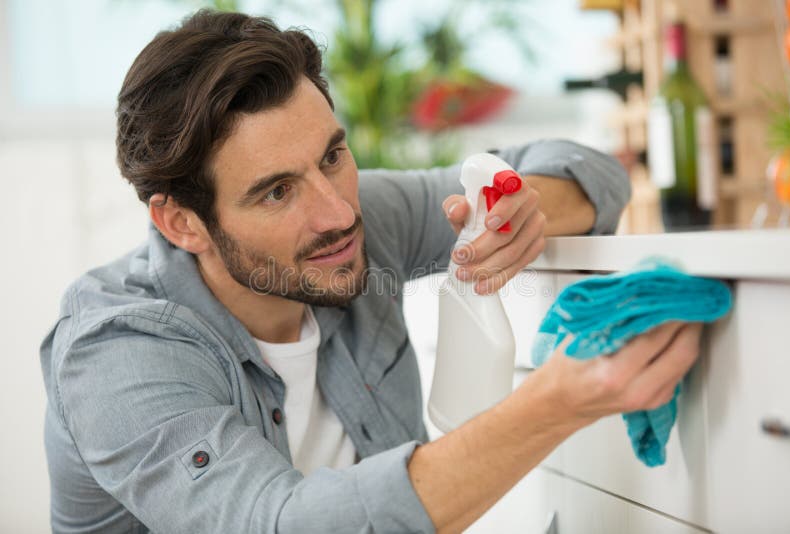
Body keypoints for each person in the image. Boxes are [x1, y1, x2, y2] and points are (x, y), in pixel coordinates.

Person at [40, 9, 701, 534]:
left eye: (332, 156)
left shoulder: (355, 217)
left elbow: (589, 170)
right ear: (182, 223)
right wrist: (556, 404)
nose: (337, 214)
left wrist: (520, 207)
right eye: (276, 193)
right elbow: (281, 524)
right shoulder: (115, 354)